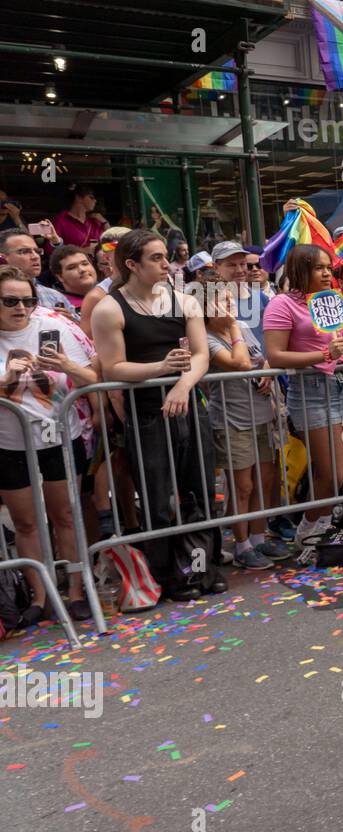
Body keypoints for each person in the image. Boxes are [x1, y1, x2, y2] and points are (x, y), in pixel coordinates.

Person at [92, 230, 226, 604]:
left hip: (189, 406)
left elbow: (201, 355)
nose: (166, 263)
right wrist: (159, 368)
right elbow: (113, 367)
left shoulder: (185, 300)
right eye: (155, 258)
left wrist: (182, 385)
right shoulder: (110, 308)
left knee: (200, 488)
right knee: (159, 498)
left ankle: (206, 566)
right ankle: (168, 575)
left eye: (166, 256)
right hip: (147, 413)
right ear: (131, 264)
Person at [0, 266, 98, 622]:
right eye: (10, 300)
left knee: (65, 517)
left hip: (59, 436)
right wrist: (5, 380)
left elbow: (93, 377)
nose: (21, 308)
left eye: (28, 300)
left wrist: (67, 364)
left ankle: (75, 592)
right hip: (8, 445)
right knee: (26, 523)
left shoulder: (54, 328)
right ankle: (41, 598)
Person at [261, 244, 343, 544]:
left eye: (329, 267)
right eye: (318, 268)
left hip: (339, 388)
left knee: (339, 474)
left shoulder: (333, 300)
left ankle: (320, 527)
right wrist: (323, 354)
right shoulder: (281, 305)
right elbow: (275, 357)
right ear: (300, 270)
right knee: (327, 472)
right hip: (309, 392)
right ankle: (307, 530)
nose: (327, 273)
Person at [204, 276, 289, 570]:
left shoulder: (241, 330)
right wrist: (233, 328)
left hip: (263, 415)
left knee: (264, 483)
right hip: (232, 420)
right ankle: (240, 545)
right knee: (242, 486)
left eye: (229, 301)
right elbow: (238, 363)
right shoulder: (206, 337)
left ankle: (257, 537)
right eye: (220, 302)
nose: (229, 307)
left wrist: (267, 369)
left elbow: (263, 357)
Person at [0, 230, 74, 314]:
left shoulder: (56, 296)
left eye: (37, 251)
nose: (35, 256)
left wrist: (68, 322)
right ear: (2, 258)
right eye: (24, 251)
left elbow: (80, 325)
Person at [51, 185, 107, 250]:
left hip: (96, 259)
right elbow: (51, 250)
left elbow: (113, 246)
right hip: (74, 259)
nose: (95, 201)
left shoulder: (95, 222)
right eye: (91, 197)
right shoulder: (61, 220)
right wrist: (81, 251)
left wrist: (105, 223)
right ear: (78, 198)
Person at [49, 245, 99, 316]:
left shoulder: (111, 290)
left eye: (85, 264)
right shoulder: (57, 307)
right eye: (72, 267)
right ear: (60, 277)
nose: (82, 269)